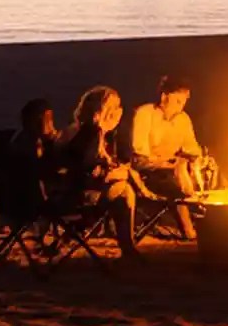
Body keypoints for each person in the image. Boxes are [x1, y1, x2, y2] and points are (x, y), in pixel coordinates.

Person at [62, 86, 154, 259]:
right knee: (124, 189)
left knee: (123, 191)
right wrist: (125, 173)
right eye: (116, 107)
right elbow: (91, 173)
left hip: (73, 191)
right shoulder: (92, 133)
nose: (120, 111)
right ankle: (127, 247)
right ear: (105, 110)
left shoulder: (81, 129)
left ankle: (123, 245)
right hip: (78, 196)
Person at [130, 75, 217, 239]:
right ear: (164, 96)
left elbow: (192, 149)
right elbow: (140, 157)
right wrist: (171, 164)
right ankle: (189, 230)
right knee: (174, 180)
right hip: (148, 173)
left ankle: (215, 224)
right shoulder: (144, 114)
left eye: (184, 102)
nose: (181, 107)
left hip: (177, 170)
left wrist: (202, 160)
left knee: (211, 172)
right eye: (178, 101)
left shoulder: (182, 119)